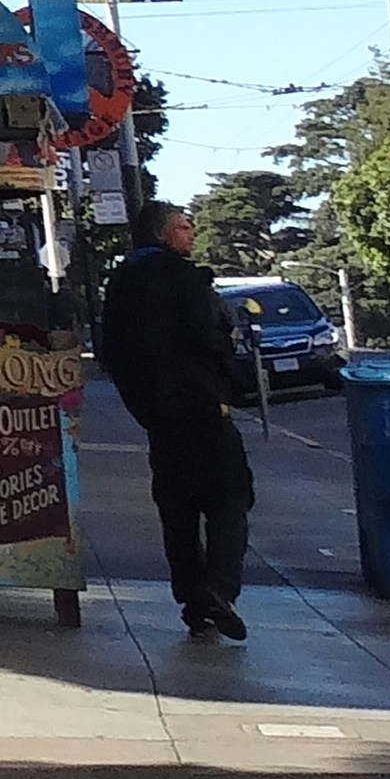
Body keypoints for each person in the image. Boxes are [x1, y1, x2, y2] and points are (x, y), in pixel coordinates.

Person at [94, 201, 253, 642]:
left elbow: (112, 349)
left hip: (157, 418)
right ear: (165, 234)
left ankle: (191, 596)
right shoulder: (184, 279)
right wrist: (227, 370)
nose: (191, 235)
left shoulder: (122, 282)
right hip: (201, 408)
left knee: (177, 509)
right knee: (230, 499)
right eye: (184, 227)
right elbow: (207, 337)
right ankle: (218, 588)